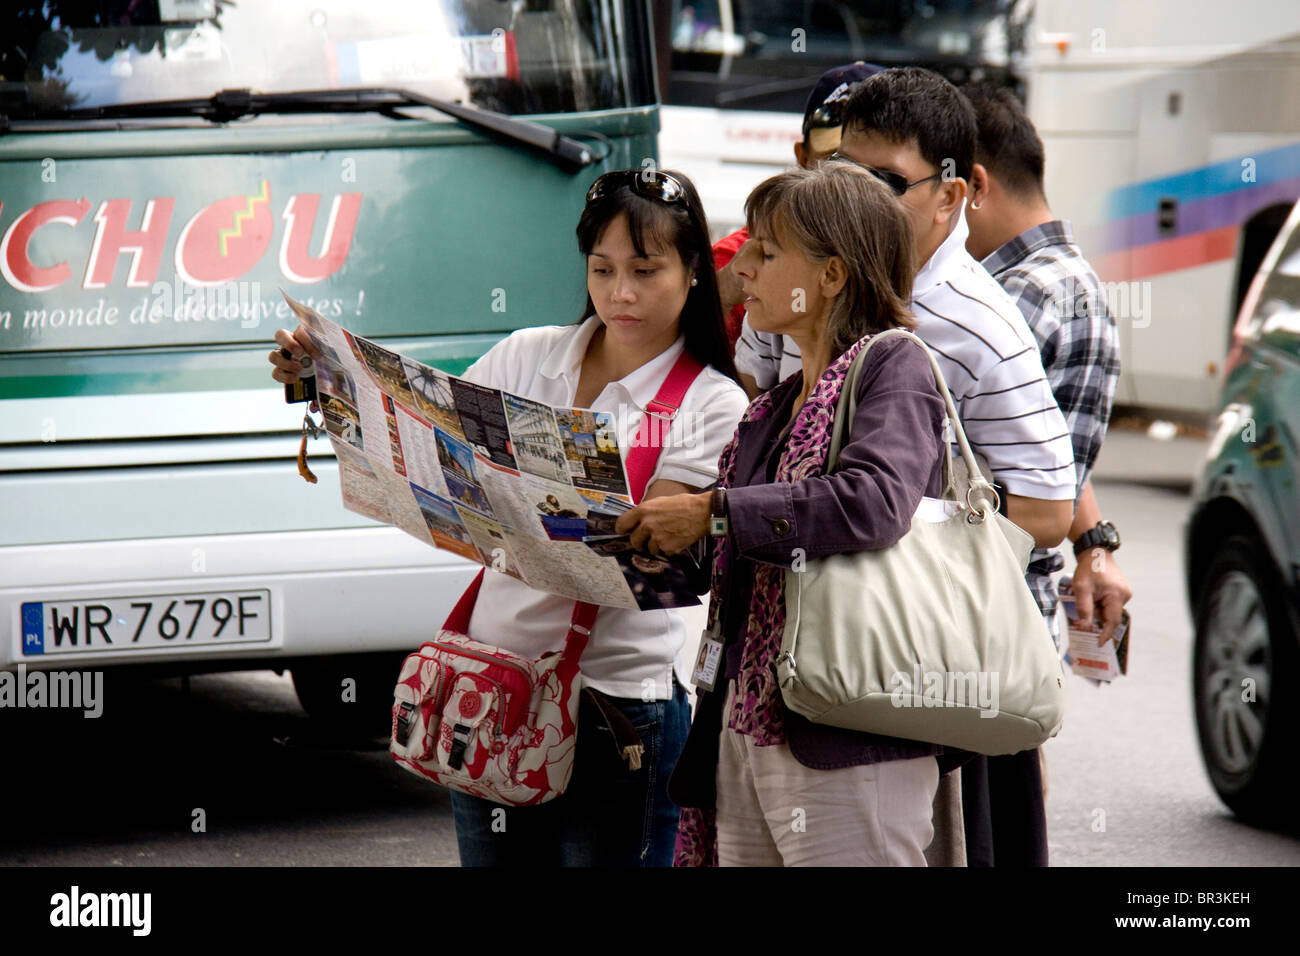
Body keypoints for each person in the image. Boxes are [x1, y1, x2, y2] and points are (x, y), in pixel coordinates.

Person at [269, 168, 749, 867]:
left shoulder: (711, 402)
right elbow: (426, 424)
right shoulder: (529, 355)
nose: (621, 293)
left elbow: (659, 549)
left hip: (616, 710)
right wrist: (322, 381)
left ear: (695, 272)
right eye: (603, 268)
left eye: (647, 270)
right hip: (490, 691)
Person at [617, 162, 951, 866]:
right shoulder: (773, 406)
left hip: (848, 725)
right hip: (748, 718)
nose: (743, 271)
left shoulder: (897, 366)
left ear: (831, 276)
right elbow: (733, 550)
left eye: (767, 254)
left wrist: (711, 514)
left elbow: (874, 503)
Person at [961, 83, 1131, 866]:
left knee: (982, 831)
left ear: (973, 184)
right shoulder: (1065, 280)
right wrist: (1095, 544)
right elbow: (1055, 455)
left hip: (981, 615)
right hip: (1014, 612)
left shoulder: (1014, 298)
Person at [716, 61, 881, 367]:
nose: (848, 182)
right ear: (802, 159)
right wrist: (719, 300)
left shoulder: (916, 270)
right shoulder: (734, 262)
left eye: (868, 170)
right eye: (833, 161)